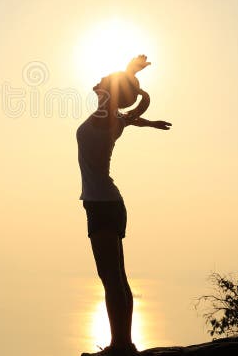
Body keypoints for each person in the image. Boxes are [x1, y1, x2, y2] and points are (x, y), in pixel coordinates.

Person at [78, 55, 172, 356]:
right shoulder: (113, 120)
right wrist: (141, 102)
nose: (100, 80)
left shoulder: (107, 119)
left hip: (102, 205)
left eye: (107, 82)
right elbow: (133, 115)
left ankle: (119, 346)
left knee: (111, 279)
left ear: (111, 93)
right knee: (118, 277)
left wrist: (129, 76)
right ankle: (125, 343)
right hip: (108, 203)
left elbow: (121, 104)